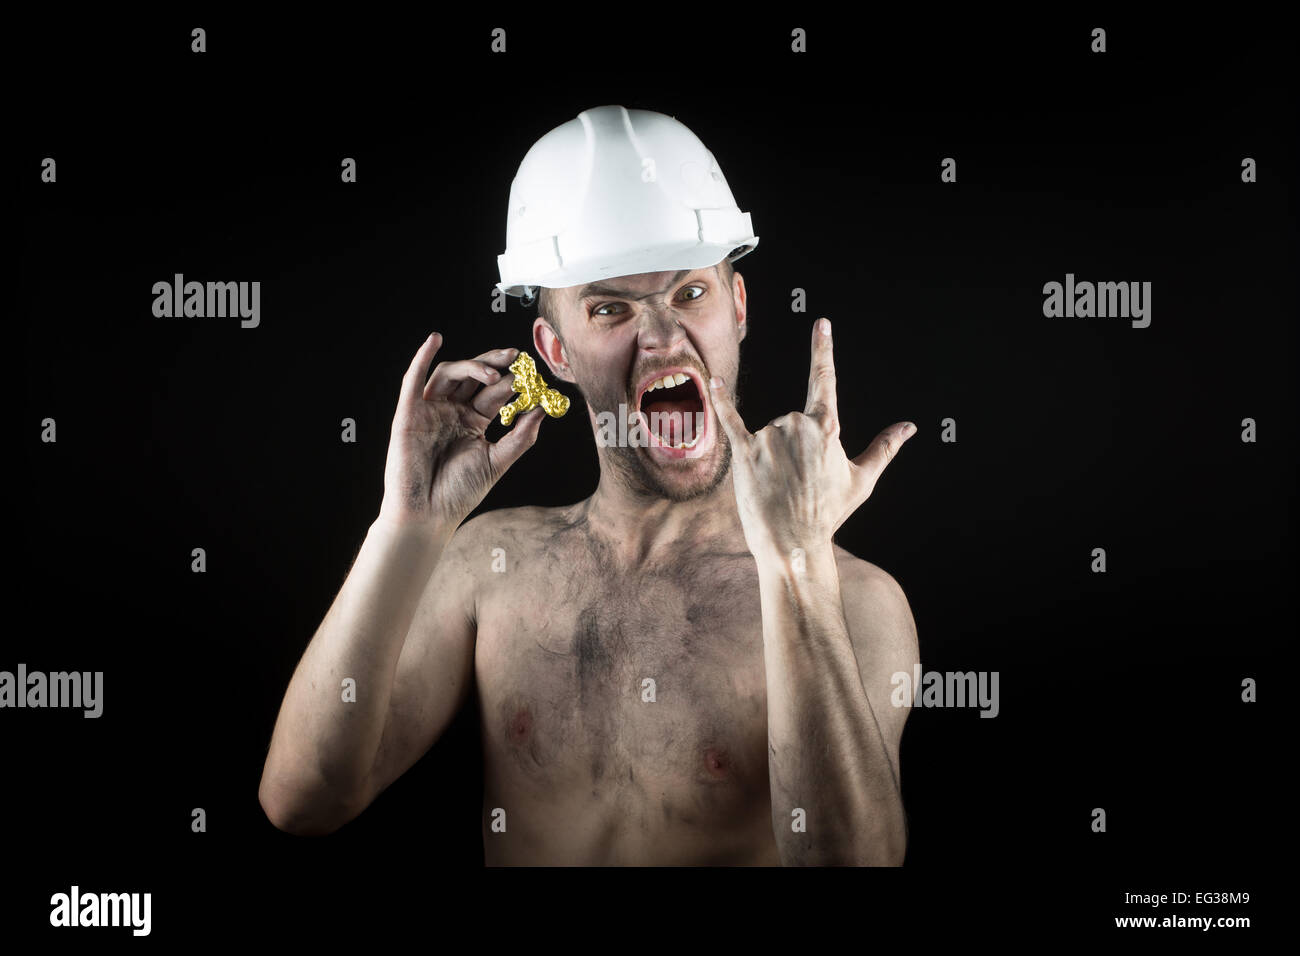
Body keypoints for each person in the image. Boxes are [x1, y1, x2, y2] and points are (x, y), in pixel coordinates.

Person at [259, 106, 919, 865]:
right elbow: (302, 800)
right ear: (556, 349)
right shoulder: (491, 565)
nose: (664, 337)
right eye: (610, 308)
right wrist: (406, 527)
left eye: (690, 294)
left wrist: (799, 565)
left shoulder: (855, 601)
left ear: (737, 309)